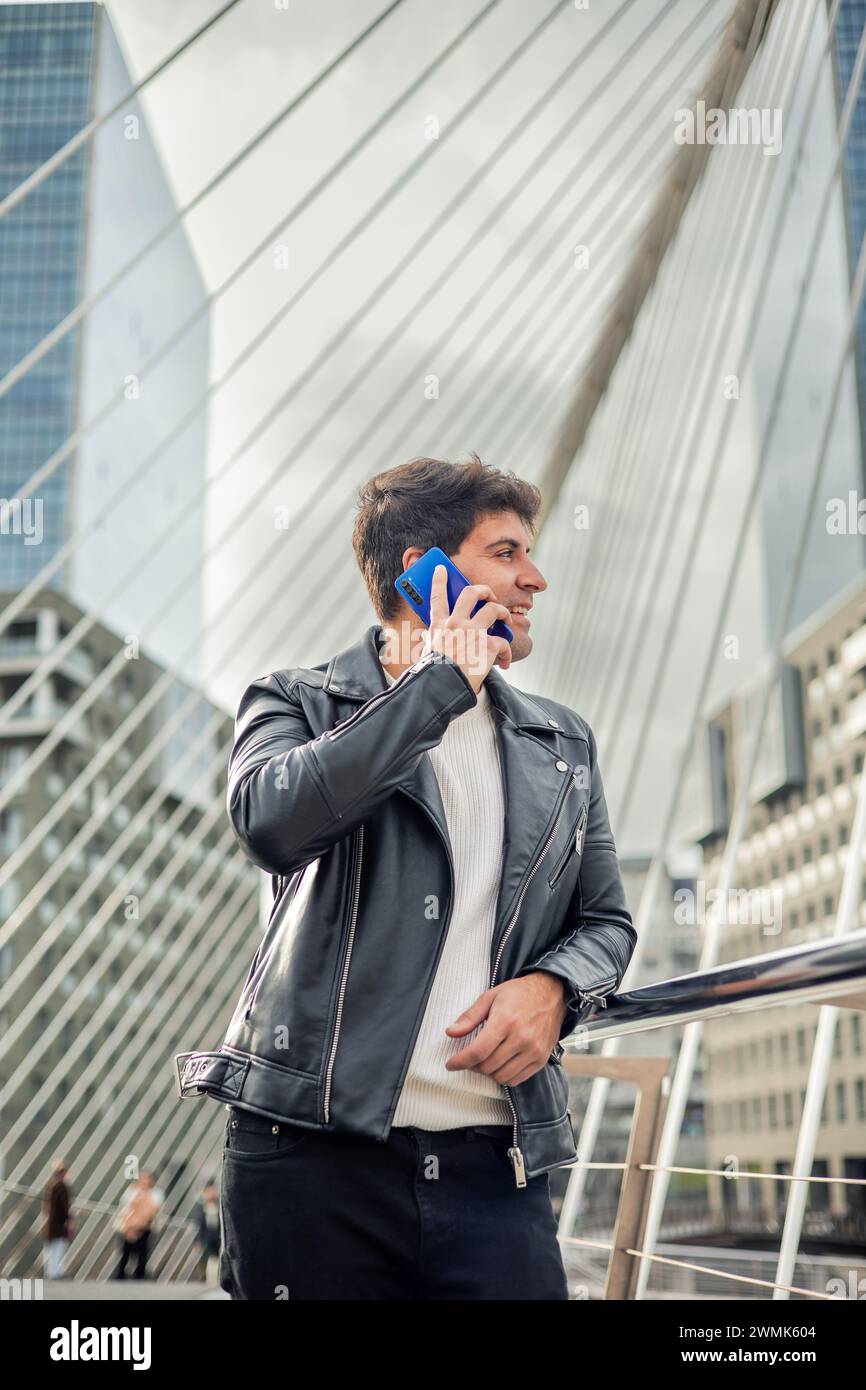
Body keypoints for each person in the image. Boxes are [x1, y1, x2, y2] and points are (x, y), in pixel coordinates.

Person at [176, 453, 635, 1300]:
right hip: (312, 1162)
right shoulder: (295, 701)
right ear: (420, 575)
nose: (535, 577)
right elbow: (273, 822)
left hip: (498, 1173)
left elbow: (607, 922)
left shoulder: (561, 743)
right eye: (505, 553)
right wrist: (436, 686)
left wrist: (554, 990)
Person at [114, 1171, 163, 1280]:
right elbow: (125, 1206)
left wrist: (144, 1194)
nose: (144, 1182)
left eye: (146, 1179)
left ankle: (139, 1274)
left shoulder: (155, 1193)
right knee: (125, 1251)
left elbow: (153, 1209)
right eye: (142, 1179)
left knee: (142, 1251)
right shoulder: (132, 1191)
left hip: (145, 1227)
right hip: (128, 1226)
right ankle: (121, 1274)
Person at [41, 1159, 73, 1279]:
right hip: (59, 1224)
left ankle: (51, 1271)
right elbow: (64, 1207)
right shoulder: (61, 1186)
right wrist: (69, 1220)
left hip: (50, 1224)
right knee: (58, 1247)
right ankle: (55, 1271)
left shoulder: (50, 1184)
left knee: (51, 1248)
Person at [193, 1180, 222, 1284]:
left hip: (217, 1237)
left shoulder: (219, 1205)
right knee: (206, 1258)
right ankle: (207, 1279)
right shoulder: (201, 1206)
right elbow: (198, 1225)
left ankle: (214, 1279)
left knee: (215, 1258)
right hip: (205, 1237)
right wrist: (197, 1241)